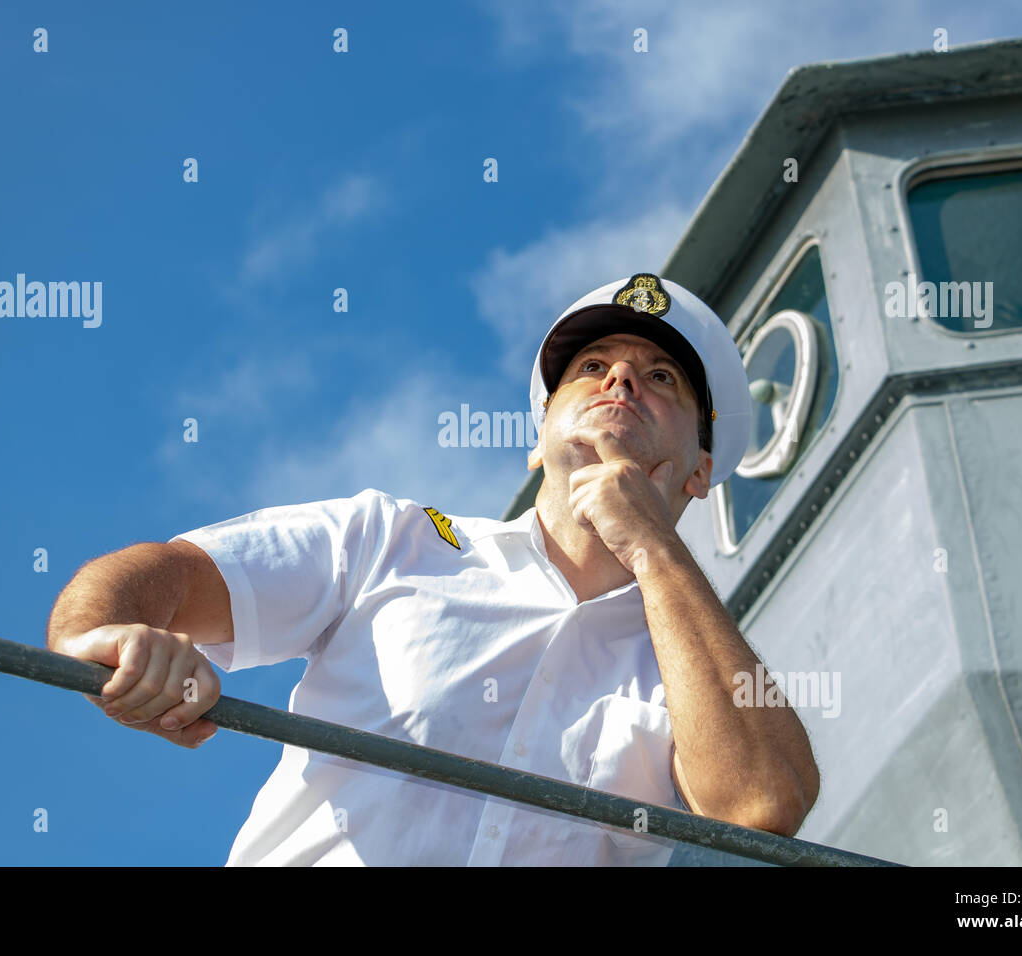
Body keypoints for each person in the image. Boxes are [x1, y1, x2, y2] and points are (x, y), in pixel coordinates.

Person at [46, 272, 820, 866]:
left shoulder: (695, 673)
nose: (620, 381)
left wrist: (653, 548)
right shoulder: (394, 540)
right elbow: (173, 571)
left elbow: (760, 805)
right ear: (538, 433)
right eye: (591, 367)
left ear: (700, 470)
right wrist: (99, 636)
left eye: (662, 378)